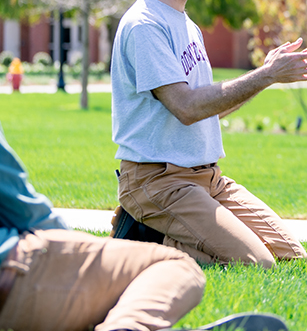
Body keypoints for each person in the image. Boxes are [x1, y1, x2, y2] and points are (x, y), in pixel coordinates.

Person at [111, 0, 307, 269]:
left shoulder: (187, 26)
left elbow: (208, 108)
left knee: (290, 256)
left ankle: (161, 235)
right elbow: (186, 107)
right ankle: (144, 241)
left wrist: (267, 77)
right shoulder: (144, 26)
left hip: (208, 178)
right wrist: (266, 74)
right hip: (159, 181)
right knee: (258, 264)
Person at [0, 122, 290, 331]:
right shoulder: (143, 33)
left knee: (287, 254)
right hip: (11, 264)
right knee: (179, 267)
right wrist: (80, 249)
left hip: (208, 176)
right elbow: (22, 206)